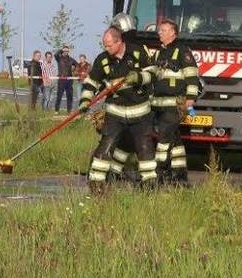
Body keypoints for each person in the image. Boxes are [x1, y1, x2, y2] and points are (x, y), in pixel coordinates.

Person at [79, 26, 158, 193]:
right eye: (104, 46)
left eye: (109, 45)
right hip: (115, 112)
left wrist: (139, 77)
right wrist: (85, 101)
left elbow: (153, 72)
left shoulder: (138, 53)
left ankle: (150, 186)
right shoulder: (103, 60)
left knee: (145, 149)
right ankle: (96, 184)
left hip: (140, 113)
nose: (106, 49)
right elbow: (91, 82)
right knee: (106, 146)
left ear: (119, 41)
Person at [151, 19, 200, 184]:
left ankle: (158, 174)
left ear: (173, 33)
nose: (160, 33)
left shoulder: (182, 51)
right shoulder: (159, 53)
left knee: (163, 139)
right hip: (158, 105)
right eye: (160, 30)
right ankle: (179, 176)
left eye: (164, 30)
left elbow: (192, 76)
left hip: (174, 106)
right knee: (175, 140)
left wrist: (191, 99)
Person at [54, 45, 77, 112]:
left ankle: (69, 110)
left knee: (70, 96)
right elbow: (55, 55)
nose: (66, 52)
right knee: (59, 96)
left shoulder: (71, 59)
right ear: (63, 51)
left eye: (67, 51)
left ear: (68, 51)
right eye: (65, 51)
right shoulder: (59, 58)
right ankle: (56, 110)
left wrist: (74, 70)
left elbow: (77, 65)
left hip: (69, 80)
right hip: (61, 79)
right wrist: (61, 50)